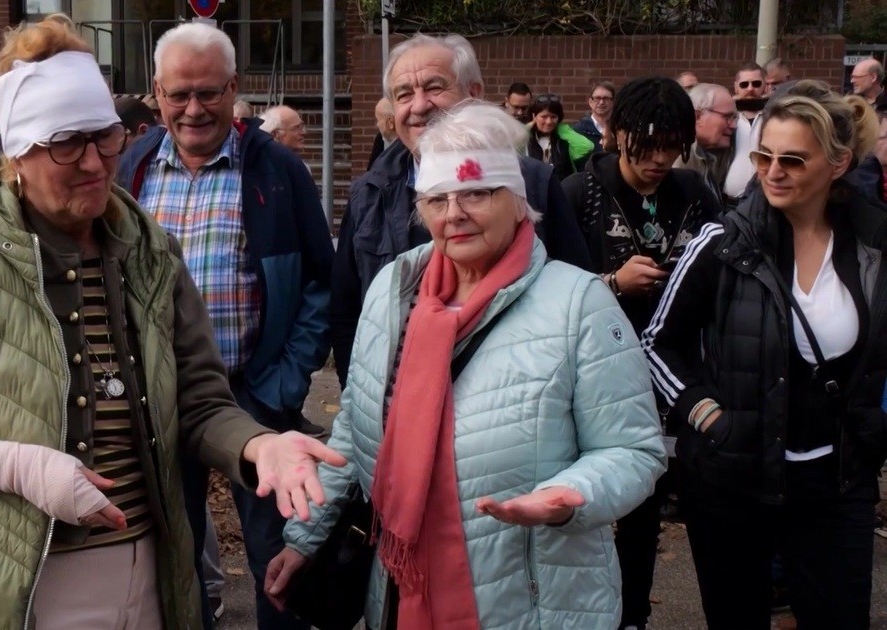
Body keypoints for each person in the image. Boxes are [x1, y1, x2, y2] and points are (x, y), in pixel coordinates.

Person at [0, 16, 345, 630]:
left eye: (106, 137)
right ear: (18, 152)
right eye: (67, 142)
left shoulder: (151, 253)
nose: (95, 163)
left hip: (154, 572)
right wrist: (23, 468)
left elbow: (198, 402)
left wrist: (258, 445)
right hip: (24, 580)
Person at [267, 100, 667, 630]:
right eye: (436, 198)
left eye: (477, 192)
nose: (453, 212)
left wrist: (573, 496)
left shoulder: (579, 302)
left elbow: (633, 448)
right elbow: (359, 431)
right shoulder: (393, 288)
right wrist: (306, 536)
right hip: (398, 589)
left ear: (518, 201)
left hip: (531, 597)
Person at [115, 20, 335, 630]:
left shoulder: (278, 172)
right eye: (178, 93)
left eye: (208, 92)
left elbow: (321, 279)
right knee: (174, 549)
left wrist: (288, 381)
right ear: (156, 91)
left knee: (275, 554)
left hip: (254, 393)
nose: (192, 109)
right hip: (158, 395)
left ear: (233, 87)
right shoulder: (129, 170)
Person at [643, 86, 887, 630]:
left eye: (794, 159)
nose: (773, 172)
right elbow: (658, 340)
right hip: (732, 482)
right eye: (763, 157)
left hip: (836, 485)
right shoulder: (723, 241)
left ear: (839, 163)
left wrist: (875, 429)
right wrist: (708, 416)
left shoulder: (874, 243)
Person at [330, 34, 591, 389]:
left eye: (435, 87)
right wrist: (362, 403)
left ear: (475, 93)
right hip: (399, 407)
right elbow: (347, 313)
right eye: (404, 94)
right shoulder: (369, 193)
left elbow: (577, 298)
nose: (419, 106)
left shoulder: (534, 183)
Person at [562, 77, 721, 630]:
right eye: (647, 145)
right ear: (619, 134)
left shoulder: (696, 194)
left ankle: (632, 616)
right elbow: (550, 290)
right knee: (592, 503)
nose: (658, 159)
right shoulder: (579, 193)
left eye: (671, 146)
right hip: (598, 372)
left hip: (674, 371)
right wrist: (611, 281)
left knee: (649, 508)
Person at [675, 82, 737, 202]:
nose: (733, 125)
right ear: (697, 116)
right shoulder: (679, 157)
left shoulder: (710, 153)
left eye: (734, 118)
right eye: (727, 117)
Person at [722, 62, 766, 211]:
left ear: (765, 85)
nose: (750, 89)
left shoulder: (774, 117)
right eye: (744, 84)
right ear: (736, 87)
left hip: (764, 201)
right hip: (729, 203)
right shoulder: (725, 118)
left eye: (756, 83)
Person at [525, 93, 593, 182]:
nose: (549, 121)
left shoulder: (563, 141)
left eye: (553, 117)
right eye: (544, 117)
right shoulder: (526, 140)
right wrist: (528, 128)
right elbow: (511, 143)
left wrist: (560, 128)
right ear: (534, 116)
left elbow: (587, 146)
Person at [573, 79, 615, 150]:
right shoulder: (577, 131)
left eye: (606, 98)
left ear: (613, 102)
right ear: (590, 102)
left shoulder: (620, 130)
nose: (601, 102)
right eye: (597, 98)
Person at [367, 96, 397, 168]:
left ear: (391, 122)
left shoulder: (408, 148)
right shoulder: (380, 140)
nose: (377, 125)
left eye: (378, 120)